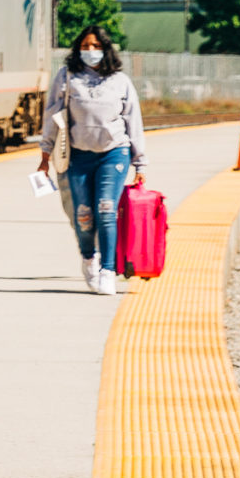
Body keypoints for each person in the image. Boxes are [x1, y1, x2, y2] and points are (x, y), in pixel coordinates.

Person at [42, 27, 147, 297]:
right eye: (86, 45)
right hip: (77, 155)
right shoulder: (67, 77)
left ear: (106, 48)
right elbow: (52, 116)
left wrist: (140, 163)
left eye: (96, 45)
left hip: (114, 153)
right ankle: (89, 258)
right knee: (84, 216)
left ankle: (108, 271)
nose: (91, 51)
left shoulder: (120, 81)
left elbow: (133, 121)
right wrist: (44, 155)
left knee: (106, 208)